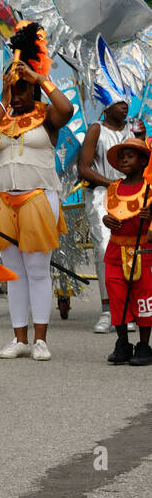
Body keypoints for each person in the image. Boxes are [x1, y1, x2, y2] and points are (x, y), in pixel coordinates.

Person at [0, 22, 73, 361]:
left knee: (37, 270)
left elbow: (68, 110)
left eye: (22, 89)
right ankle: (19, 338)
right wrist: (4, 100)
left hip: (38, 197)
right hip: (5, 199)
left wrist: (38, 79)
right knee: (13, 273)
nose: (18, 94)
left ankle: (40, 340)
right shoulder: (3, 118)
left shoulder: (47, 115)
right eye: (14, 89)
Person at [77, 99, 134, 334]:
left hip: (131, 195)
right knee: (104, 250)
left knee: (130, 249)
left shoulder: (133, 128)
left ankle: (127, 310)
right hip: (102, 195)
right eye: (118, 102)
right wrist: (113, 184)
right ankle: (107, 310)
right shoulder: (96, 130)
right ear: (106, 106)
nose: (125, 106)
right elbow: (84, 168)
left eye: (126, 101)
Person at [101, 138, 152, 366]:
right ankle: (123, 343)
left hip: (143, 250)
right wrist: (105, 219)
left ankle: (143, 345)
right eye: (121, 156)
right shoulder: (113, 189)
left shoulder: (150, 190)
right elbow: (111, 214)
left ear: (143, 162)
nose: (124, 160)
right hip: (115, 251)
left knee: (144, 299)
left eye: (129, 156)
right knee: (117, 299)